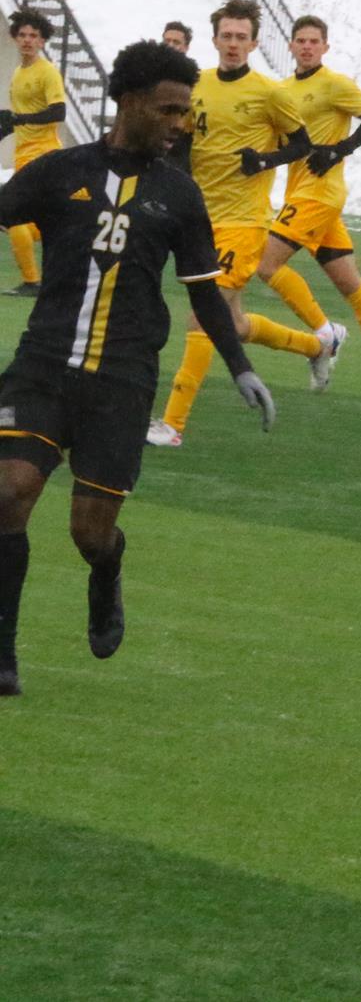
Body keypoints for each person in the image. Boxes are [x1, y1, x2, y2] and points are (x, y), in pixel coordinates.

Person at [0, 40, 276, 698]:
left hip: (121, 383)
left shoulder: (180, 195)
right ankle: (3, 653)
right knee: (7, 492)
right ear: (131, 102)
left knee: (89, 532)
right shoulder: (58, 171)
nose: (182, 123)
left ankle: (108, 568)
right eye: (171, 109)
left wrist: (239, 367)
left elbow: (205, 291)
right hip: (41, 366)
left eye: (187, 111)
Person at [148, 0, 337, 448]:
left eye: (241, 37)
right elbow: (182, 144)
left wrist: (264, 161)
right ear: (214, 40)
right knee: (231, 323)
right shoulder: (198, 86)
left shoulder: (270, 93)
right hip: (202, 220)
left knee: (201, 315)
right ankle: (317, 346)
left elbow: (303, 145)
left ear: (254, 42)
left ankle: (173, 424)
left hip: (246, 223)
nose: (233, 44)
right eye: (226, 36)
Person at [253, 15, 361, 399]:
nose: (307, 47)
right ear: (290, 46)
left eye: (314, 41)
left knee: (265, 264)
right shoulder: (283, 89)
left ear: (325, 47)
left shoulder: (336, 84)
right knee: (348, 282)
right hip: (300, 193)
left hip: (320, 195)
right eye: (301, 41)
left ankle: (326, 335)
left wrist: (340, 150)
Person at [3, 7, 70, 297]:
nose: (28, 40)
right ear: (15, 38)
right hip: (24, 154)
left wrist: (19, 120)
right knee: (26, 221)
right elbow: (22, 115)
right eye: (22, 35)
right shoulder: (19, 72)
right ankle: (65, 229)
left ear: (43, 41)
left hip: (43, 155)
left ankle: (32, 281)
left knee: (8, 214)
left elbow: (59, 112)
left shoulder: (47, 72)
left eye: (34, 36)